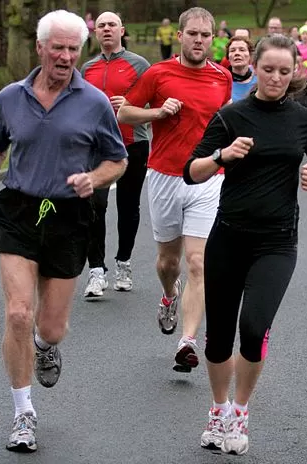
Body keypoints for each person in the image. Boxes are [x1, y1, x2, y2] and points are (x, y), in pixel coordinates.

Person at [0, 10, 128, 452]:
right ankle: (23, 413)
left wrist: (93, 180)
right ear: (40, 48)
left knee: (51, 327)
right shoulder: (11, 97)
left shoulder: (94, 101)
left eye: (74, 49)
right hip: (19, 209)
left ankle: (45, 343)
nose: (65, 56)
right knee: (18, 312)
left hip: (68, 215)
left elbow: (118, 160)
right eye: (57, 47)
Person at [183, 35, 307, 455]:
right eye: (268, 69)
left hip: (277, 242)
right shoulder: (232, 115)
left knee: (253, 328)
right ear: (255, 66)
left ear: (294, 74)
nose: (276, 78)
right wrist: (222, 156)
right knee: (217, 339)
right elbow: (190, 171)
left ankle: (241, 410)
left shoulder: (304, 120)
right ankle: (217, 411)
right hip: (229, 238)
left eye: (285, 72)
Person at [118, 7, 232, 373]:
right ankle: (169, 295)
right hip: (165, 176)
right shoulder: (158, 73)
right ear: (180, 36)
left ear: (213, 39)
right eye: (193, 34)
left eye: (205, 35)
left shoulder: (222, 77)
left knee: (199, 261)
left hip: (207, 178)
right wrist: (158, 114)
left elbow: (226, 123)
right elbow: (125, 113)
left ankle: (188, 340)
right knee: (169, 263)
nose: (199, 40)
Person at [80, 11, 151, 296]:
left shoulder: (140, 64)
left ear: (122, 30)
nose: (107, 29)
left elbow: (155, 103)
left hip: (133, 142)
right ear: (95, 33)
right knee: (94, 205)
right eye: (101, 26)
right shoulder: (87, 69)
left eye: (111, 25)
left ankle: (124, 262)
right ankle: (97, 271)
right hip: (97, 147)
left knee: (127, 205)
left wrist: (131, 104)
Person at [226, 36, 257, 102]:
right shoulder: (222, 80)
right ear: (228, 57)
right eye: (232, 50)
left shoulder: (259, 76)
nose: (237, 53)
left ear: (250, 55)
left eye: (242, 50)